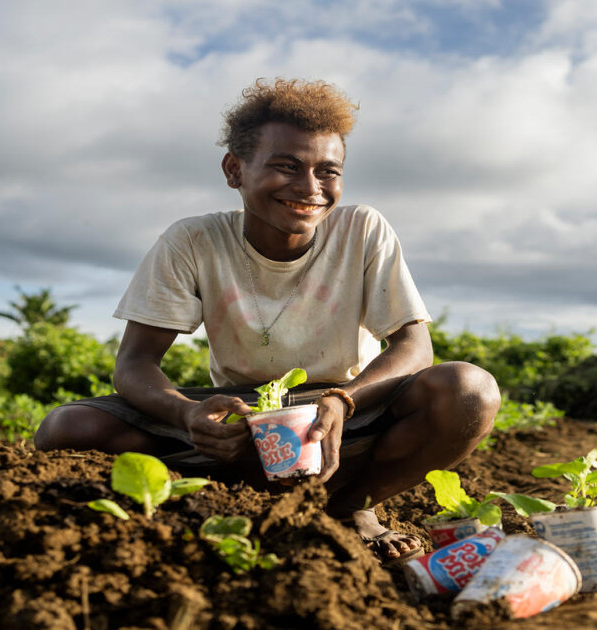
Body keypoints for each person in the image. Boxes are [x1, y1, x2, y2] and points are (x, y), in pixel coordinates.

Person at [33, 78, 500, 565]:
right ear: (234, 170)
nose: (310, 188)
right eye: (286, 166)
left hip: (346, 412)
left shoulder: (362, 229)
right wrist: (186, 414)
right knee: (70, 427)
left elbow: (414, 348)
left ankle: (351, 507)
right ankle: (227, 502)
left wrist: (343, 399)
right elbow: (134, 364)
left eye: (328, 171)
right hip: (245, 419)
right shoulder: (193, 241)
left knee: (469, 391)